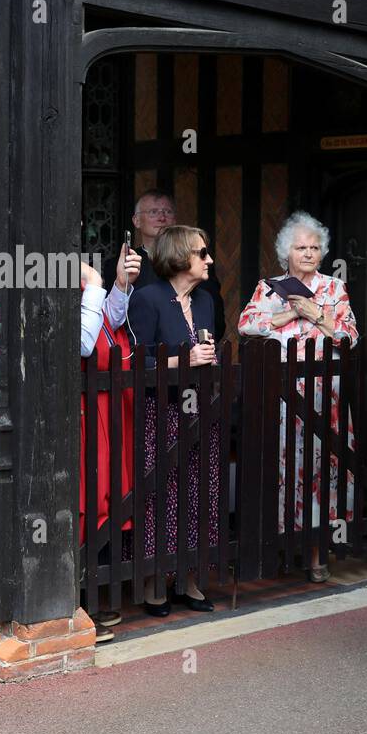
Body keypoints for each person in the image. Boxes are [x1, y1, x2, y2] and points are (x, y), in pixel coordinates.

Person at [0, 252, 139, 642]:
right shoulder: (22, 304)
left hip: (83, 416)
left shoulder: (52, 289)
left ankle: (82, 598)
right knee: (63, 508)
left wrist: (117, 288)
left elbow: (108, 326)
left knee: (92, 502)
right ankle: (58, 608)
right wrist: (93, 282)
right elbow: (81, 345)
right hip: (48, 425)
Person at [237, 211, 359, 581]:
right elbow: (246, 325)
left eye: (314, 247)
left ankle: (317, 552)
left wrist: (317, 314)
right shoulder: (268, 287)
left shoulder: (334, 289)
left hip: (327, 396)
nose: (308, 253)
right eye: (300, 247)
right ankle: (280, 546)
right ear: (285, 252)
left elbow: (349, 336)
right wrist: (287, 315)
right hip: (282, 398)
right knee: (283, 470)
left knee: (323, 471)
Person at [126, 225, 222, 617]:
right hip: (160, 412)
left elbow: (208, 349)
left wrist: (207, 359)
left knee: (201, 495)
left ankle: (191, 580)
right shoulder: (147, 299)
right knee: (158, 497)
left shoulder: (206, 301)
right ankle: (153, 583)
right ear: (182, 257)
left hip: (201, 411)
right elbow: (134, 362)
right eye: (202, 253)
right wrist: (183, 360)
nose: (209, 260)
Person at [104, 189, 225, 341]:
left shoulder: (201, 269)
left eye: (167, 212)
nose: (161, 218)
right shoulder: (121, 264)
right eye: (153, 212)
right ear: (136, 221)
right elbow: (107, 323)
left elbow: (216, 321)